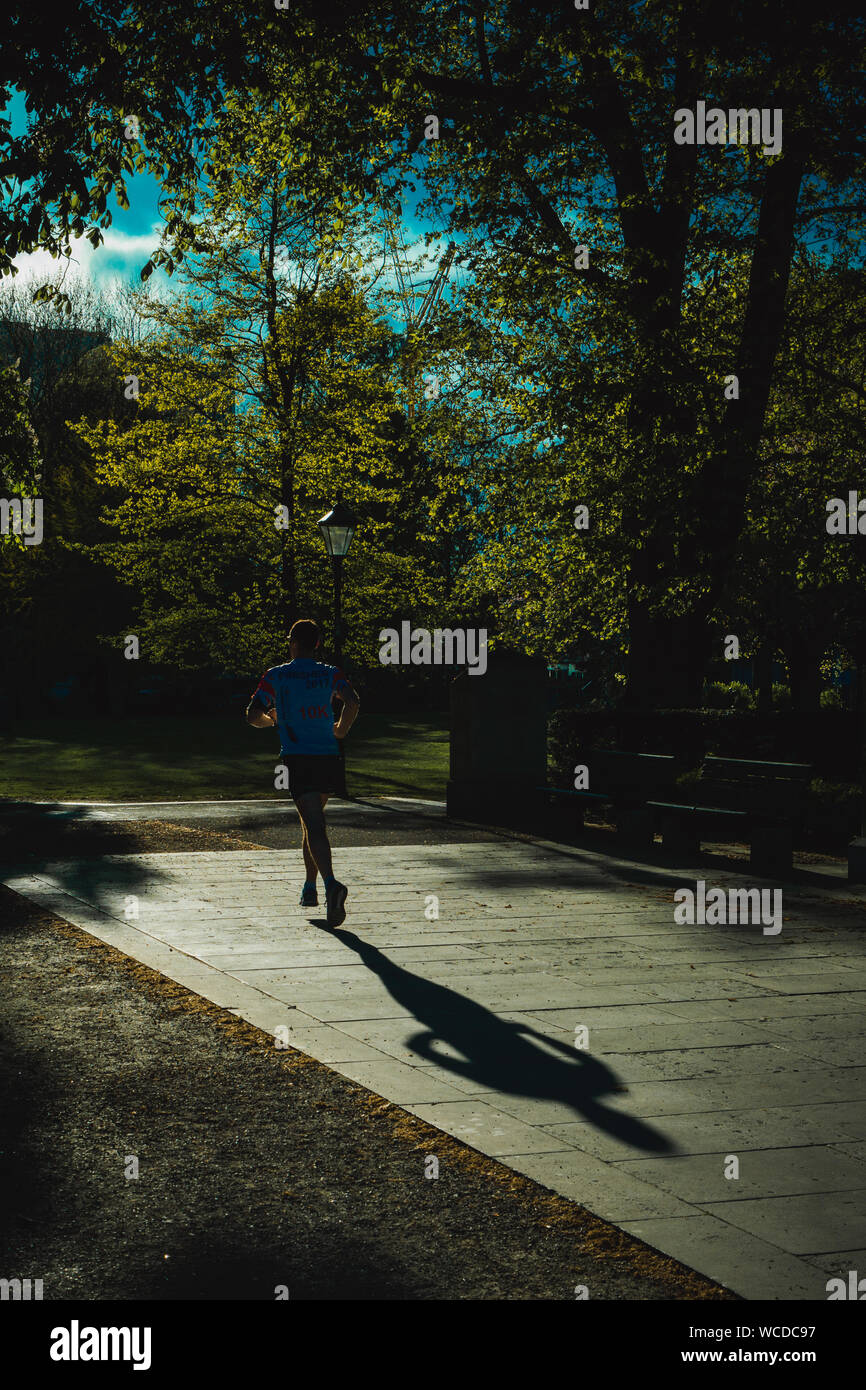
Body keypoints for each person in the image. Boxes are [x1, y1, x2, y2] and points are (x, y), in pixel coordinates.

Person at [245, 619, 360, 927]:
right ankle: (310, 887)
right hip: (327, 755)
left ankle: (332, 885)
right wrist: (340, 730)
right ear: (318, 644)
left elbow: (252, 714)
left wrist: (274, 722)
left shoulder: (276, 676)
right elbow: (352, 701)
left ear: (291, 642)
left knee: (314, 823)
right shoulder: (330, 673)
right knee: (312, 820)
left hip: (298, 757)